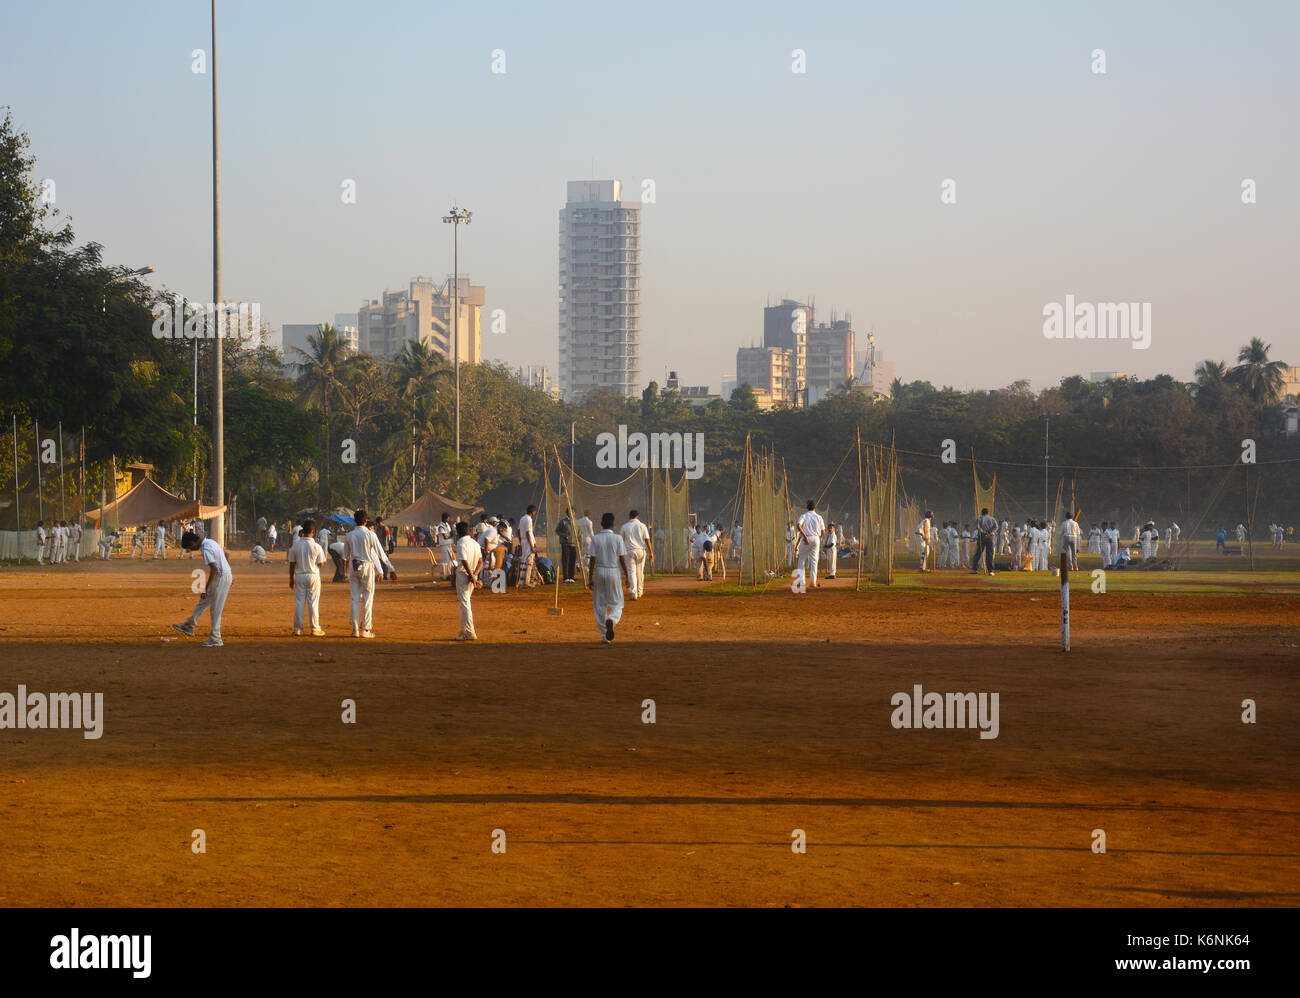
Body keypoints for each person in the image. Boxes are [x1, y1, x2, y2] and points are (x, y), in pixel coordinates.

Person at [173, 529, 233, 647]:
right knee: (203, 602)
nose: (192, 550)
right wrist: (229, 571)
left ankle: (216, 638)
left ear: (192, 543)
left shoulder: (205, 549)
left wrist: (206, 589)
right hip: (224, 575)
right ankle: (189, 625)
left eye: (190, 547)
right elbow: (226, 555)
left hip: (221, 577)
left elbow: (214, 568)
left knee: (216, 609)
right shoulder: (211, 542)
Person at [347, 509, 396, 638]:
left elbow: (346, 555)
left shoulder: (349, 535)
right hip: (367, 566)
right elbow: (381, 554)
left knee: (354, 599)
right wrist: (391, 568)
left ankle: (355, 629)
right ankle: (366, 630)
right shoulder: (370, 535)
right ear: (366, 521)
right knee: (368, 599)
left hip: (354, 566)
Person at [587, 512, 630, 643]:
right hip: (613, 571)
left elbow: (592, 559)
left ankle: (604, 636)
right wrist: (627, 575)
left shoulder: (595, 538)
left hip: (600, 570)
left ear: (601, 523)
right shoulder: (617, 538)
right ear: (613, 524)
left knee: (599, 604)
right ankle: (611, 619)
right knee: (617, 602)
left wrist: (590, 577)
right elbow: (622, 558)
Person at [288, 518, 328, 636]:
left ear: (302, 531)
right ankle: (315, 628)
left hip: (299, 575)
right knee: (313, 603)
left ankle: (298, 629)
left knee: (299, 602)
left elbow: (292, 563)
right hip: (313, 575)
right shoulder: (317, 547)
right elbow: (321, 563)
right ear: (313, 531)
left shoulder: (295, 546)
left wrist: (291, 578)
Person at [454, 520, 483, 639]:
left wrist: (471, 576)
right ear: (468, 531)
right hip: (472, 576)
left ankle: (470, 632)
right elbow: (481, 562)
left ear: (458, 533)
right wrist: (475, 575)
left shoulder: (461, 543)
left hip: (463, 576)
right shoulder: (475, 543)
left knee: (465, 604)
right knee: (463, 603)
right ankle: (463, 632)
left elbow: (464, 561)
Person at [620, 509, 652, 599]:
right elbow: (647, 540)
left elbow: (621, 540)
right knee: (640, 572)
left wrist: (620, 552)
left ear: (629, 517)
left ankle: (634, 593)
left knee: (631, 572)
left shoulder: (624, 526)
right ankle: (640, 591)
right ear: (637, 516)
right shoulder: (642, 526)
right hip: (641, 551)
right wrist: (651, 552)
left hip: (629, 551)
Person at [796, 499, 826, 589]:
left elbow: (798, 525)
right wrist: (817, 536)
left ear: (806, 507)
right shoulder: (819, 517)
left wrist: (805, 536)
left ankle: (801, 582)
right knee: (814, 561)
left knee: (801, 560)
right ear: (815, 508)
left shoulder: (804, 516)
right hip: (816, 539)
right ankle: (813, 583)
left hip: (806, 538)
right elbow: (823, 532)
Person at [517, 505, 539, 589]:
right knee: (529, 561)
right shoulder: (529, 519)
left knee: (523, 560)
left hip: (523, 541)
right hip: (528, 541)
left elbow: (518, 531)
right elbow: (528, 533)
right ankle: (527, 582)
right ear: (533, 512)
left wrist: (520, 541)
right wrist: (531, 546)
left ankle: (521, 581)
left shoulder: (522, 518)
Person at [973, 507, 999, 575]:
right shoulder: (992, 519)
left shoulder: (979, 518)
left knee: (978, 553)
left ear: (982, 512)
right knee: (989, 554)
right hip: (990, 537)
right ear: (988, 513)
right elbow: (996, 527)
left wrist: (984, 532)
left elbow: (978, 527)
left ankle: (974, 569)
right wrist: (990, 533)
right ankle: (990, 570)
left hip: (982, 537)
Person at [556, 511, 578, 583]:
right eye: (571, 512)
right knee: (565, 560)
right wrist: (564, 535)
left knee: (573, 560)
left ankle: (571, 577)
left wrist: (579, 543)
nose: (572, 513)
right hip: (565, 544)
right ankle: (566, 577)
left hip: (574, 544)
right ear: (567, 513)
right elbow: (557, 530)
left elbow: (579, 533)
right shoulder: (563, 521)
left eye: (573, 512)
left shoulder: (576, 522)